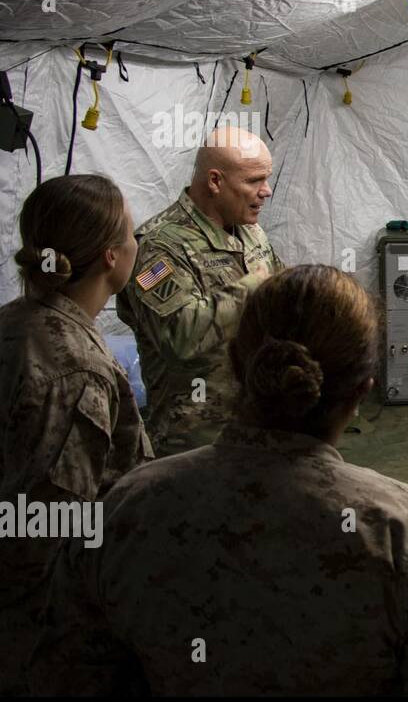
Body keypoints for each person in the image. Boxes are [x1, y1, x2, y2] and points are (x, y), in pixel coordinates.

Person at [29, 264, 408, 696]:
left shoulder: (126, 509)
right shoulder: (401, 529)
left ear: (236, 364)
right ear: (362, 390)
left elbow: (71, 678)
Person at [0, 174, 152, 694]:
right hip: (50, 645)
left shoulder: (17, 323)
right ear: (112, 256)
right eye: (131, 234)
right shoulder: (76, 371)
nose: (138, 244)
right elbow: (49, 532)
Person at [117, 125, 283, 457]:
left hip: (255, 423)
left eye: (266, 179)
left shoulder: (250, 232)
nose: (266, 191)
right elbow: (179, 337)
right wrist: (252, 287)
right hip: (193, 439)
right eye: (254, 181)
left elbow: (277, 295)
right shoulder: (159, 247)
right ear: (215, 181)